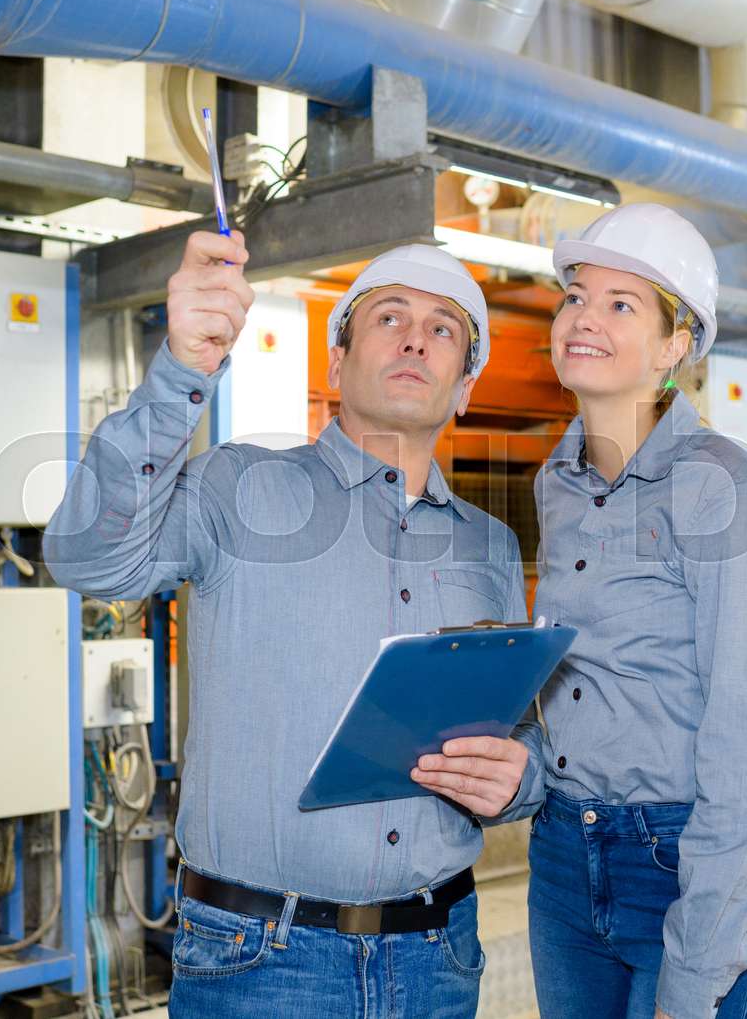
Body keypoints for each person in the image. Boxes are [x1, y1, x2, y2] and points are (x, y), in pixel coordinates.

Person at [44, 230, 535, 1019]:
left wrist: (520, 779)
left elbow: (518, 728)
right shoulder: (238, 486)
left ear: (466, 387)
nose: (416, 337)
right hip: (261, 963)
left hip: (438, 957)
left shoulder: (491, 547)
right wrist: (182, 370)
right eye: (389, 317)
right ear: (337, 362)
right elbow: (88, 559)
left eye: (444, 327)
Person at [416, 203, 747, 1019]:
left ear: (674, 346)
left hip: (680, 859)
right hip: (562, 857)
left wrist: (697, 965)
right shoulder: (557, 482)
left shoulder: (721, 486)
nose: (584, 318)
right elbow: (576, 682)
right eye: (575, 297)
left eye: (621, 304)